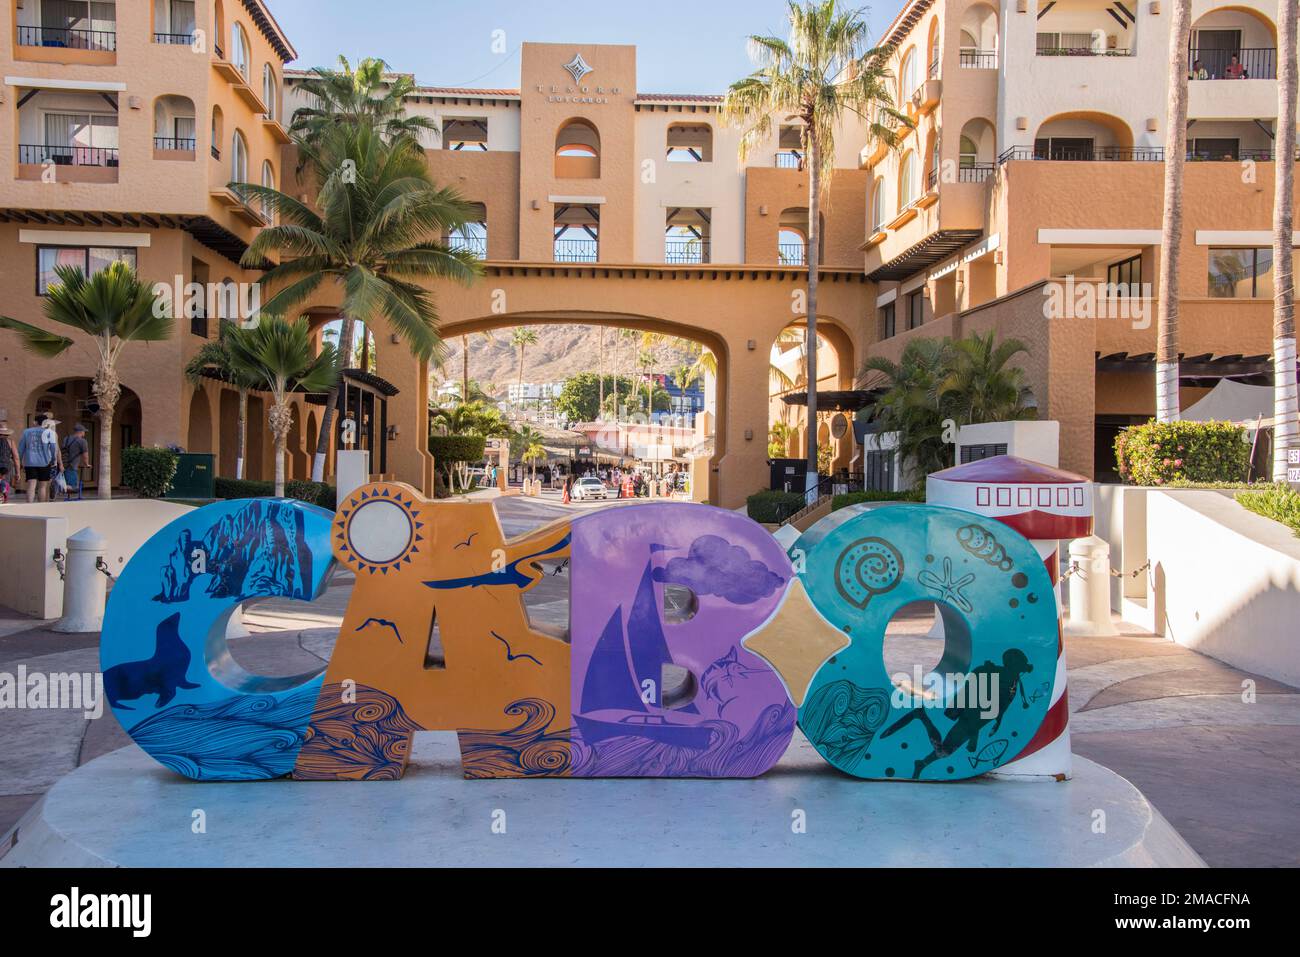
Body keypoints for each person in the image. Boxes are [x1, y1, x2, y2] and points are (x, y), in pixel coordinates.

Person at [18, 414, 62, 503]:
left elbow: (21, 448)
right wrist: (53, 459)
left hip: (30, 462)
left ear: (35, 422)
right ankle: (41, 505)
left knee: (31, 485)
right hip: (45, 462)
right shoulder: (50, 432)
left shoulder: (26, 432)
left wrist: (19, 460)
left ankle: (29, 505)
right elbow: (54, 448)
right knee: (42, 486)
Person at [61, 423, 90, 500]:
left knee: (67, 482)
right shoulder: (82, 441)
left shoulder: (66, 438)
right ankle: (62, 489)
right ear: (80, 432)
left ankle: (63, 489)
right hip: (72, 466)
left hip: (63, 464)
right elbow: (85, 455)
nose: (84, 433)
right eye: (84, 431)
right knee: (72, 486)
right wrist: (86, 464)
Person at [0, 423, 18, 503]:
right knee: (4, 483)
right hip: (6, 466)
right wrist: (18, 472)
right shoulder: (10, 442)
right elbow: (16, 457)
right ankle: (4, 499)